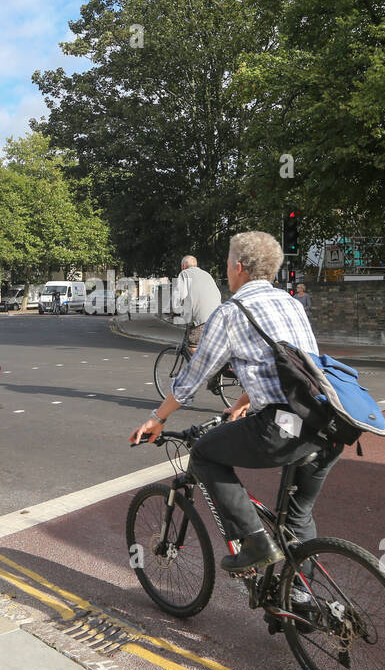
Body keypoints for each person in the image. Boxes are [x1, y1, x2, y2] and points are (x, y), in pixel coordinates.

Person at [130, 232, 343, 573]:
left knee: (203, 453)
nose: (226, 270)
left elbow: (193, 377)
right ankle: (304, 602)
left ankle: (255, 541)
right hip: (325, 422)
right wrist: (245, 400)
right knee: (297, 516)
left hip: (284, 426)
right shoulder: (289, 302)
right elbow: (296, 366)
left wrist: (158, 417)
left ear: (239, 268)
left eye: (228, 264)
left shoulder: (231, 312)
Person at [170, 255, 222, 354]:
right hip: (218, 316)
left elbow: (177, 296)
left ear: (184, 266)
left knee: (193, 345)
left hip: (201, 319)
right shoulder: (206, 274)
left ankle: (203, 367)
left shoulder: (184, 274)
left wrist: (171, 310)